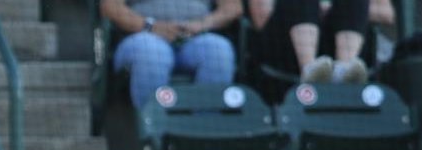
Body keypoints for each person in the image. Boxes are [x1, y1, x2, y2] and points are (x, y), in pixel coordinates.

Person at [102, 0, 243, 110]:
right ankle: (155, 135)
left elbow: (233, 7)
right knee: (153, 54)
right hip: (142, 36)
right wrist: (151, 26)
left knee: (219, 50)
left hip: (194, 37)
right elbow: (110, 7)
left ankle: (205, 133)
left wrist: (201, 24)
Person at [247, 0, 378, 88]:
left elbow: (386, 13)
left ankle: (345, 72)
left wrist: (335, 8)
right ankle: (310, 71)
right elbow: (261, 18)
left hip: (335, 39)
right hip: (283, 44)